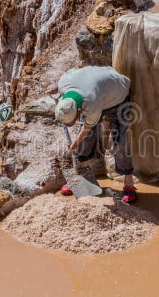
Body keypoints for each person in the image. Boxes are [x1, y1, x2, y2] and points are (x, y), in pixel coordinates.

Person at [50, 65, 137, 204]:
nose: (70, 124)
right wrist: (56, 88)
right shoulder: (63, 84)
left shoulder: (91, 103)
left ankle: (129, 183)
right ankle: (81, 175)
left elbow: (87, 128)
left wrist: (74, 144)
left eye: (72, 120)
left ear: (78, 110)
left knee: (119, 139)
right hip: (99, 87)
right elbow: (73, 73)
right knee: (86, 138)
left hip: (118, 95)